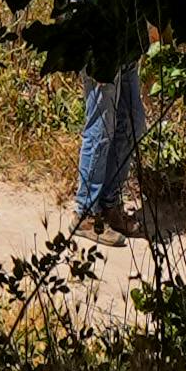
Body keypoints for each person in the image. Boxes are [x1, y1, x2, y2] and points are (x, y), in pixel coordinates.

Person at [74, 16, 147, 238]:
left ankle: (108, 205)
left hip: (127, 48)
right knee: (101, 131)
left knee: (134, 123)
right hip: (101, 49)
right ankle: (85, 215)